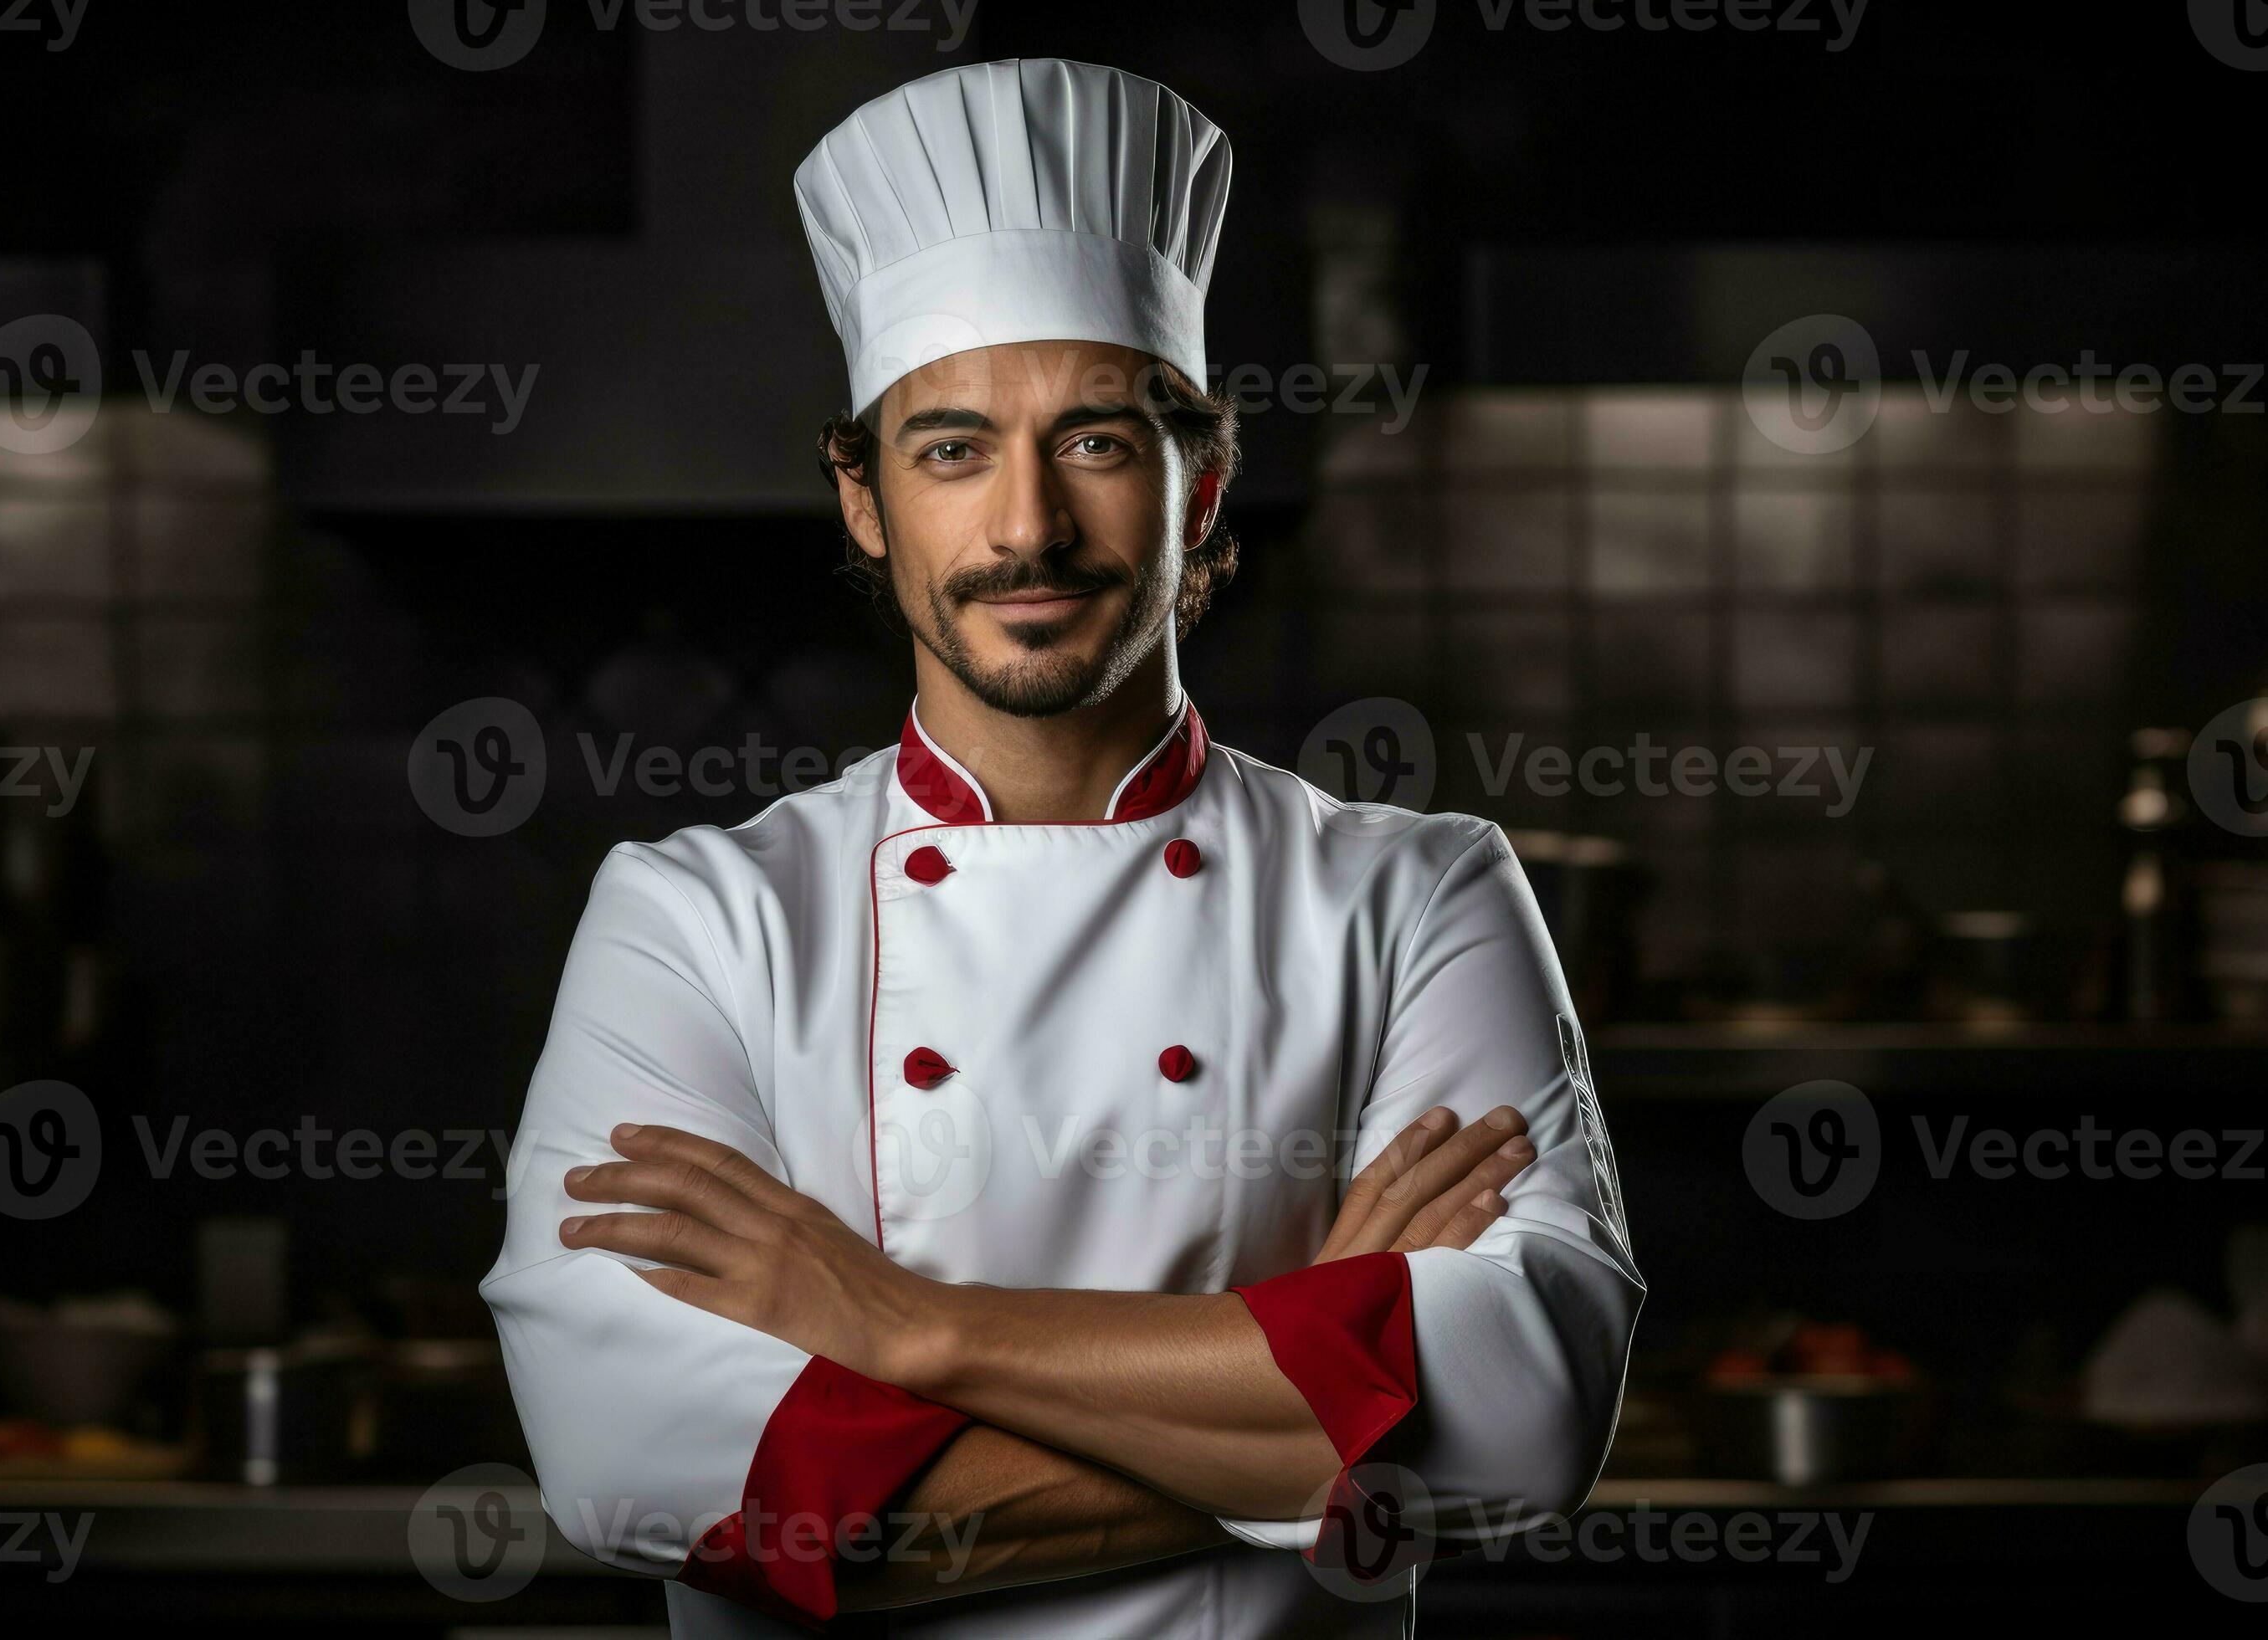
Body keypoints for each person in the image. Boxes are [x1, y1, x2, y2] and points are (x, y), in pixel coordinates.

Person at [482, 57, 1643, 1637]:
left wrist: (905, 1330)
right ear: (866, 500)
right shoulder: (697, 920)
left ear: (1203, 484)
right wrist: (1318, 1380)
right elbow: (652, 1476)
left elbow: (1529, 1407)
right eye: (953, 448)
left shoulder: (1416, 893)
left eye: (1096, 441)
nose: (1027, 529)